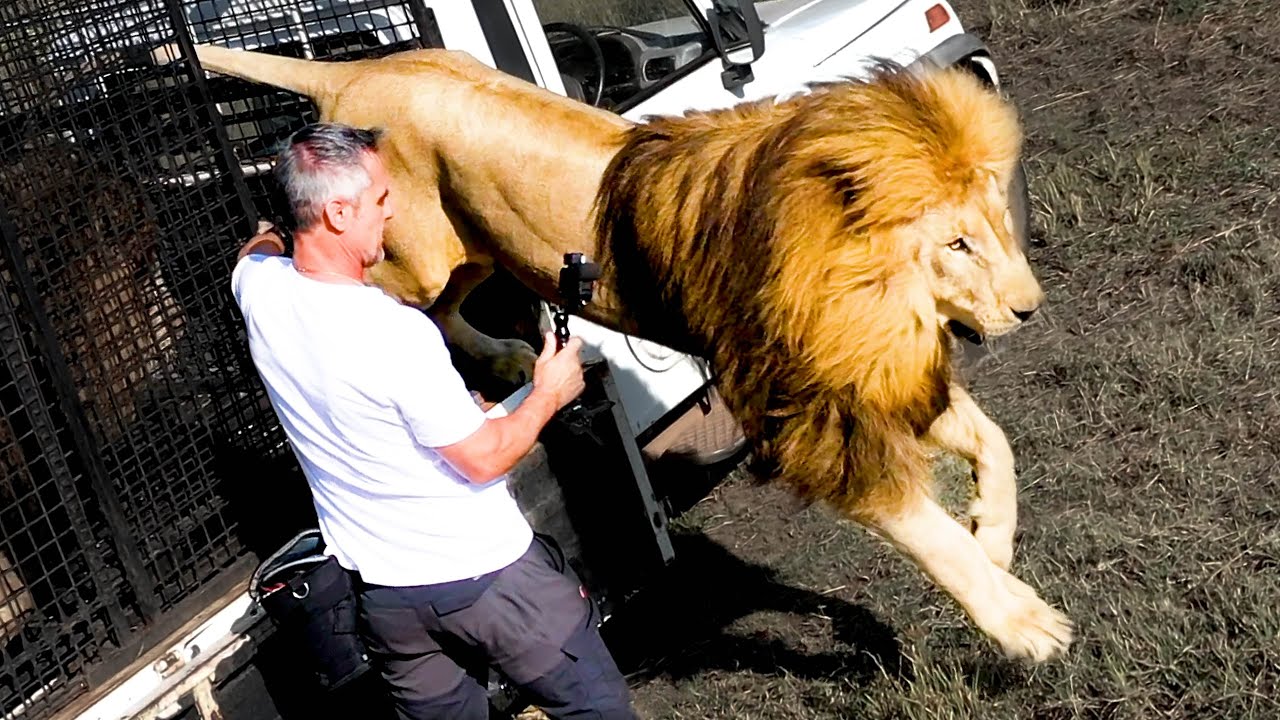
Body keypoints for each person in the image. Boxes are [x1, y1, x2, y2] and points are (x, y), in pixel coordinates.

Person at [230, 122, 638, 719]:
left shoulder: (260, 292)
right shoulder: (394, 331)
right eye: (381, 200)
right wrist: (548, 393)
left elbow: (252, 252)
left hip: (389, 605)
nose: (391, 214)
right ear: (339, 213)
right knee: (598, 708)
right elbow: (482, 459)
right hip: (488, 579)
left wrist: (277, 232)